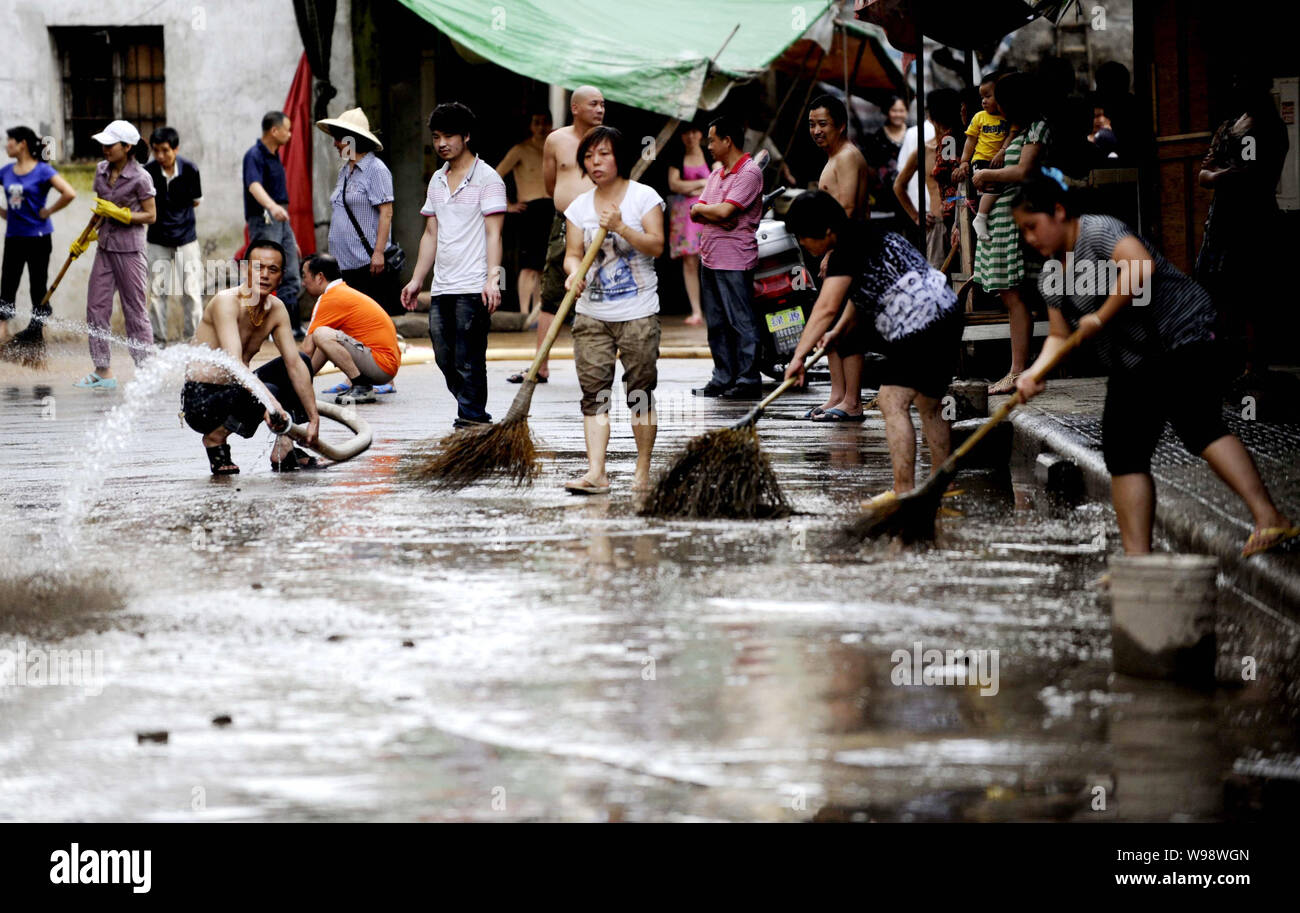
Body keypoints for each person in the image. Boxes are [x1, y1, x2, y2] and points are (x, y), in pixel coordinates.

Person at [1011, 168, 1296, 558]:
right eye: (1023, 231)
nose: (1030, 238)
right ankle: (1138, 561)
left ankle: (1270, 518)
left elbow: (1140, 267)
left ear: (1059, 212)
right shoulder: (1052, 274)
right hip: (1135, 359)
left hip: (1183, 333)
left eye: (1032, 226)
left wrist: (1103, 314)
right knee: (1123, 449)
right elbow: (1059, 335)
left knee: (1197, 424)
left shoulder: (1098, 230)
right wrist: (1033, 373)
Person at [782, 190, 962, 495]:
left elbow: (825, 307)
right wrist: (838, 332)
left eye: (803, 236)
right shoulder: (868, 233)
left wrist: (798, 357)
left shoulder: (844, 251)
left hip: (920, 326)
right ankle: (944, 484)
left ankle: (903, 492)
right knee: (930, 404)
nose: (802, 243)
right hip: (947, 314)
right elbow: (863, 292)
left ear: (825, 230)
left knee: (891, 401)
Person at [560, 126, 665, 495]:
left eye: (603, 154)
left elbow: (656, 245)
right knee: (594, 393)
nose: (595, 162)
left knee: (640, 392)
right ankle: (596, 472)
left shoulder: (643, 197)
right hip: (591, 314)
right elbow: (573, 255)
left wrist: (621, 227)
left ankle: (642, 468)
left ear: (619, 156)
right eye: (589, 157)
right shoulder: (579, 207)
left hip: (638, 313)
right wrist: (574, 275)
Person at [400, 102, 506, 428]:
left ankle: (470, 419)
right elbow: (431, 233)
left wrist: (493, 280)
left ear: (467, 136)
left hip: (474, 285)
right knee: (445, 357)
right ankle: (474, 414)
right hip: (442, 285)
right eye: (436, 136)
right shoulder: (436, 180)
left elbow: (494, 233)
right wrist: (417, 280)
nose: (442, 143)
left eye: (449, 136)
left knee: (469, 360)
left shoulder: (488, 178)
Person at [182, 239, 320, 475]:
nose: (265, 275)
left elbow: (294, 365)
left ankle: (285, 447)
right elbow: (235, 364)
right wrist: (273, 404)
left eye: (273, 270)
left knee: (302, 361)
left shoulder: (276, 309)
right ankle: (215, 438)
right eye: (258, 268)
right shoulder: (226, 302)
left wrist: (313, 418)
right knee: (268, 391)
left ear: (281, 276)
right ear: (245, 269)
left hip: (238, 390)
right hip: (202, 401)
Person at [1195, 64, 1288, 381]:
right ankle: (1229, 362)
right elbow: (1205, 173)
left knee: (1253, 294)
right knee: (1222, 291)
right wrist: (1223, 175)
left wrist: (1226, 175)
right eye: (1235, 79)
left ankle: (1254, 366)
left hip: (1254, 220)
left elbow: (1254, 175)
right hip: (1223, 219)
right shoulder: (1229, 126)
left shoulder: (1269, 127)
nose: (1237, 85)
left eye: (1243, 79)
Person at [507, 87, 604, 385]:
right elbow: (551, 184)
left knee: (604, 292)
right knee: (551, 292)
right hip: (564, 221)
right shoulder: (557, 140)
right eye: (593, 104)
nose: (600, 109)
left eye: (603, 104)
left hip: (600, 224)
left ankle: (602, 365)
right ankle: (541, 365)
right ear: (575, 107)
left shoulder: (608, 140)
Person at [967, 72, 1049, 395]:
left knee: (1016, 296)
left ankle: (1018, 370)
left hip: (1015, 222)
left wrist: (987, 172)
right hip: (1001, 220)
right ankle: (1018, 368)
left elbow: (1025, 171)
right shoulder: (1019, 132)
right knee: (1010, 296)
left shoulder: (1038, 128)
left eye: (999, 97)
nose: (994, 104)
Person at [75, 120, 157, 390]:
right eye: (104, 144)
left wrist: (124, 215)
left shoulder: (141, 177)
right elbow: (100, 210)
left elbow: (151, 215)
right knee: (96, 307)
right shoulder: (100, 171)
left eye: (110, 145)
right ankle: (103, 370)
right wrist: (84, 237)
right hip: (105, 248)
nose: (105, 149)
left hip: (131, 250)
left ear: (127, 147)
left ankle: (146, 371)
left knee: (135, 310)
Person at [690, 114, 766, 400]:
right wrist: (713, 212)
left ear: (727, 140)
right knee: (717, 322)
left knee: (740, 321)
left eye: (711, 140)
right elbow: (696, 210)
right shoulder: (715, 174)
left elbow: (724, 213)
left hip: (734, 258)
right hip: (709, 257)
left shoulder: (749, 172)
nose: (708, 145)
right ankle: (723, 377)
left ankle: (747, 379)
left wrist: (713, 212)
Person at [805, 95, 870, 421]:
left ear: (840, 125)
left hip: (849, 248)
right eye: (812, 124)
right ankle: (838, 395)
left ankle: (853, 401)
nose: (816, 130)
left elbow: (845, 209)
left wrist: (831, 251)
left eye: (823, 124)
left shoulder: (846, 157)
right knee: (831, 324)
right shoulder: (833, 157)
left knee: (847, 326)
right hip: (839, 248)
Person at [317, 107, 400, 318]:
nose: (335, 143)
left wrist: (379, 253)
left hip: (367, 262)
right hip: (344, 263)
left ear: (352, 139)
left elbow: (386, 212)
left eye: (338, 138)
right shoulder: (345, 171)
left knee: (369, 319)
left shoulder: (376, 169)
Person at [0, 125, 76, 352]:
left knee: (37, 288)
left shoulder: (43, 171)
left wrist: (48, 211)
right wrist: (3, 213)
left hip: (38, 238)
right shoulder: (6, 171)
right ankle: (3, 340)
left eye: (10, 141)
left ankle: (35, 340)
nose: (7, 145)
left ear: (22, 143)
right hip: (14, 237)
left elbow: (69, 193)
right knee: (7, 288)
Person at [300, 253, 400, 405]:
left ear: (319, 277)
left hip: (381, 367)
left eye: (304, 276)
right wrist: (300, 382)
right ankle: (300, 384)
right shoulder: (342, 291)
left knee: (321, 334)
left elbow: (306, 350)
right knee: (324, 336)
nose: (303, 283)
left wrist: (285, 375)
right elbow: (318, 350)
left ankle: (361, 387)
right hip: (385, 365)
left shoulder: (330, 298)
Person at [243, 111, 302, 338]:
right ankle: (253, 325)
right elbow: (254, 186)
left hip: (280, 220)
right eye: (287, 129)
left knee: (290, 271)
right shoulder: (254, 155)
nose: (290, 133)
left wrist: (289, 236)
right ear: (274, 131)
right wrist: (272, 207)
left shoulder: (274, 155)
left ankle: (289, 327)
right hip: (265, 218)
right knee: (262, 274)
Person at [144, 126, 203, 346]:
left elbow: (196, 200)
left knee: (191, 292)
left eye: (165, 151)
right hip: (157, 240)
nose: (160, 156)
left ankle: (195, 343)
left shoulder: (190, 170)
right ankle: (158, 342)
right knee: (158, 294)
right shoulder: (147, 172)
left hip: (186, 239)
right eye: (156, 150)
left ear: (176, 149)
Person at [894, 89, 963, 271]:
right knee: (939, 280)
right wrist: (917, 216)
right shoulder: (925, 150)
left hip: (964, 221)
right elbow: (899, 185)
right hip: (938, 225)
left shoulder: (965, 144)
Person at [495, 110, 553, 323]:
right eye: (536, 122)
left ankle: (537, 315)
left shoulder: (553, 148)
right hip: (529, 209)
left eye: (545, 123)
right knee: (529, 265)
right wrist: (507, 205)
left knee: (542, 266)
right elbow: (495, 176)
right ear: (530, 125)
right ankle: (523, 313)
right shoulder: (521, 149)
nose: (541, 127)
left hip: (551, 207)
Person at [954, 73, 1013, 242]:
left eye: (988, 96)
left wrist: (1002, 151)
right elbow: (970, 141)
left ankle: (982, 217)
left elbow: (1010, 135)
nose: (984, 101)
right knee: (991, 189)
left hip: (997, 161)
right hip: (981, 159)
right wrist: (964, 161)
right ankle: (980, 218)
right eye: (982, 97)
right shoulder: (979, 117)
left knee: (996, 190)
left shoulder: (1006, 118)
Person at [665, 122, 710, 327]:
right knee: (690, 263)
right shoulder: (676, 157)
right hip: (686, 217)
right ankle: (696, 310)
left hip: (708, 214)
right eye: (686, 133)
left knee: (711, 260)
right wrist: (702, 184)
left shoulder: (710, 154)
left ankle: (712, 307)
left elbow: (717, 180)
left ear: (701, 133)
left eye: (694, 131)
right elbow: (674, 184)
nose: (691, 136)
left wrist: (690, 188)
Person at [863, 95, 908, 229]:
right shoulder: (876, 137)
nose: (898, 114)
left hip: (910, 193)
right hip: (885, 198)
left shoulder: (913, 134)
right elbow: (870, 167)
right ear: (887, 112)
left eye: (901, 110)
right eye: (894, 110)